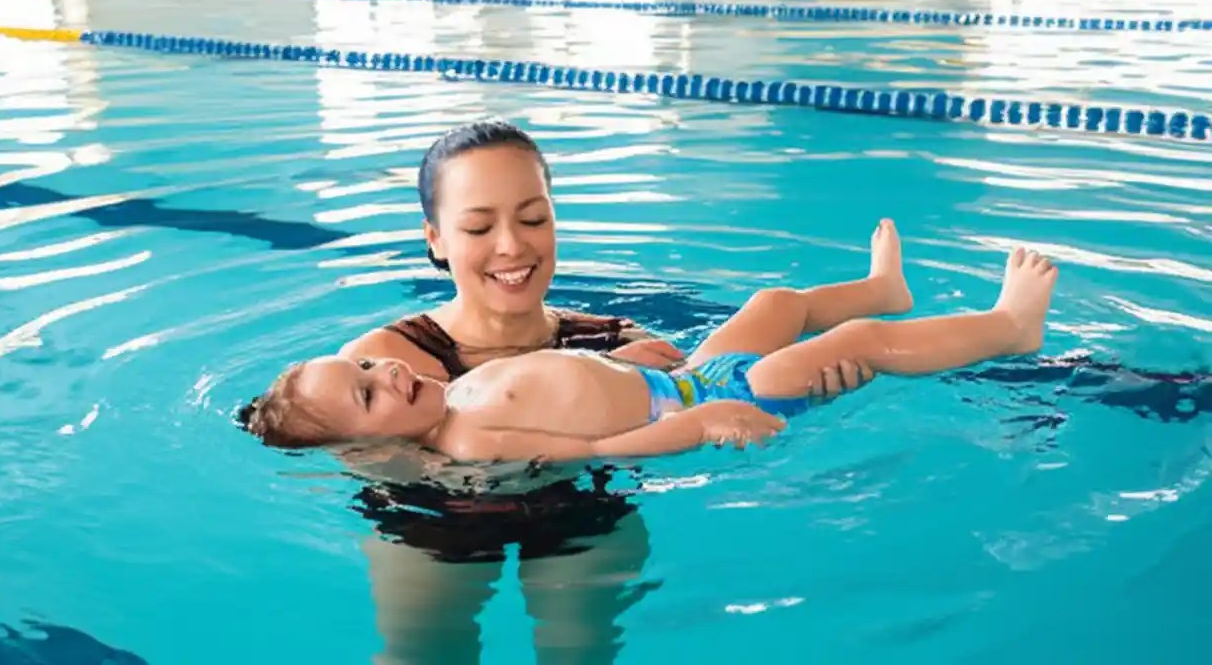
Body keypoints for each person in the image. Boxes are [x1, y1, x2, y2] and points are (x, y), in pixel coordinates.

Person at [250, 118, 897, 665]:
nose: (511, 246)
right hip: (437, 522)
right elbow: (331, 447)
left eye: (533, 218)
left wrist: (812, 392)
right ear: (435, 240)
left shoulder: (614, 338)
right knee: (426, 651)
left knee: (577, 651)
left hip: (584, 503)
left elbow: (702, 410)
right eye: (478, 229)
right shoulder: (389, 356)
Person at [244, 238, 1058, 461]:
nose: (381, 368)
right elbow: (598, 444)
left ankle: (886, 289)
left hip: (693, 376)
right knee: (857, 347)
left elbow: (570, 385)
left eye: (361, 366)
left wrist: (619, 365)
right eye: (365, 395)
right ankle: (1008, 327)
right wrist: (702, 427)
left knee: (775, 302)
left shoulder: (456, 390)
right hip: (711, 402)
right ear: (369, 446)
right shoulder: (466, 437)